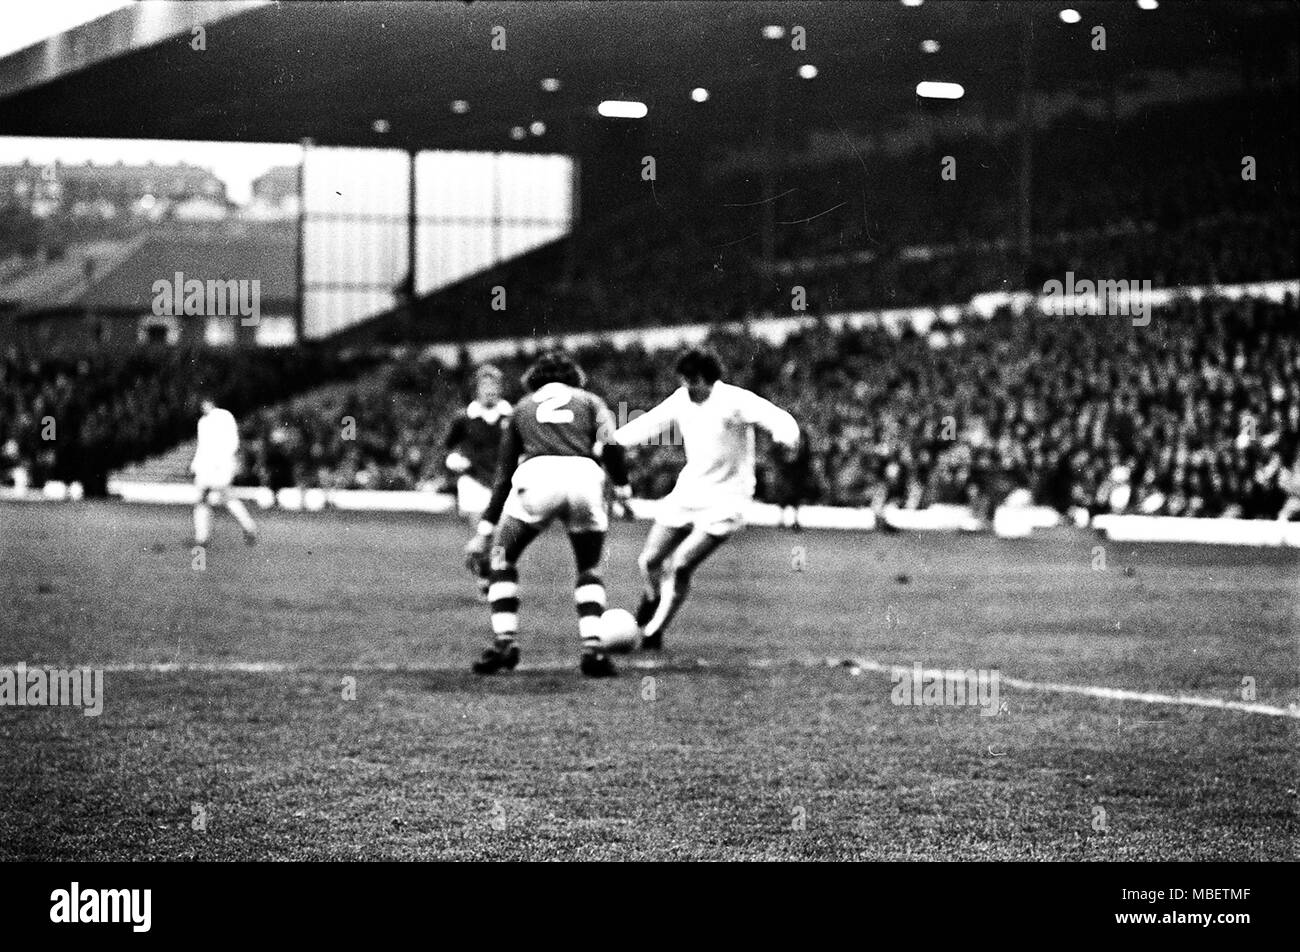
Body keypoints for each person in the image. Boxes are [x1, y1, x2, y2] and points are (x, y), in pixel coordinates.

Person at [612, 347, 800, 650]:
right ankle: (652, 597)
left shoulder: (733, 400)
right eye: (683, 380)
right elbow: (648, 424)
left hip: (728, 498)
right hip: (690, 490)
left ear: (706, 379)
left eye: (691, 381)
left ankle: (653, 632)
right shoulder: (681, 399)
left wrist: (786, 436)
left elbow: (775, 416)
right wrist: (612, 442)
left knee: (681, 564)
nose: (686, 387)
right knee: (649, 561)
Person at [463, 350, 632, 677]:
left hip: (537, 478)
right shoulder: (590, 401)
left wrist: (484, 531)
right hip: (584, 478)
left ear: (535, 380)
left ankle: (504, 644)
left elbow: (504, 474)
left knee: (501, 559)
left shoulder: (522, 407)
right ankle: (593, 650)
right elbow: (612, 444)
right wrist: (623, 487)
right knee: (589, 568)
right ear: (574, 377)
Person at [444, 364, 513, 596]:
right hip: (474, 481)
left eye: (494, 385)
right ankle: (485, 576)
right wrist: (453, 459)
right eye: (485, 385)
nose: (490, 390)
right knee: (482, 535)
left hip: (504, 482)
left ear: (501, 389)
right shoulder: (463, 419)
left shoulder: (512, 416)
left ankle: (498, 580)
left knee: (501, 535)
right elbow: (448, 445)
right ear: (477, 389)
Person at [191, 396, 257, 547]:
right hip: (207, 466)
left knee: (215, 497)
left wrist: (221, 462)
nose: (203, 406)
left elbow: (233, 442)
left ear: (211, 402)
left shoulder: (224, 416)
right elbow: (202, 446)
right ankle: (202, 537)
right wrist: (196, 464)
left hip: (222, 465)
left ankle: (202, 537)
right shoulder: (203, 422)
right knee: (213, 498)